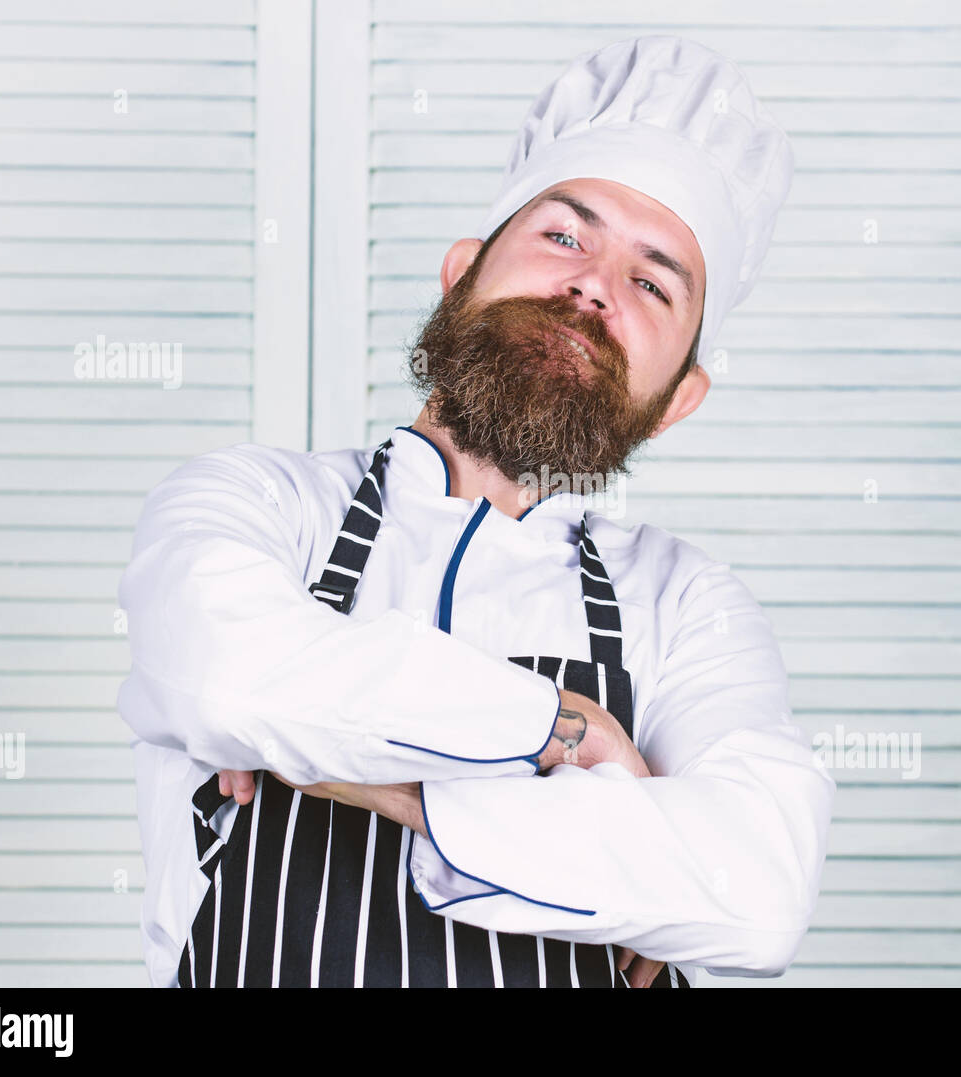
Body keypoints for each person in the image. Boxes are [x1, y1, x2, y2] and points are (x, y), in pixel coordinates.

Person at [117, 34, 836, 989]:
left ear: (678, 397)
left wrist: (348, 767)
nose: (591, 287)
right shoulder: (260, 504)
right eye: (564, 235)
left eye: (651, 283)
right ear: (462, 274)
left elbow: (755, 893)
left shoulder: (686, 605)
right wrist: (568, 734)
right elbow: (222, 679)